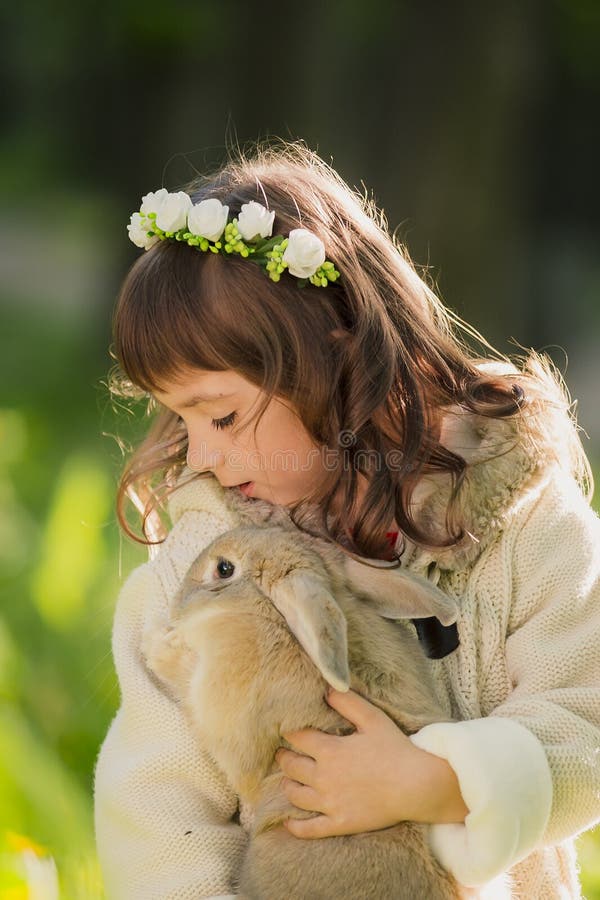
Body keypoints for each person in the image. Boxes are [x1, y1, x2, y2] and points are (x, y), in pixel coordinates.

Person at [94, 139, 600, 900]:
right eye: (181, 420)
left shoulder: (524, 518)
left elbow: (585, 725)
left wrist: (434, 783)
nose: (200, 455)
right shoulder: (207, 574)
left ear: (334, 354)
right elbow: (161, 820)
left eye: (224, 416)